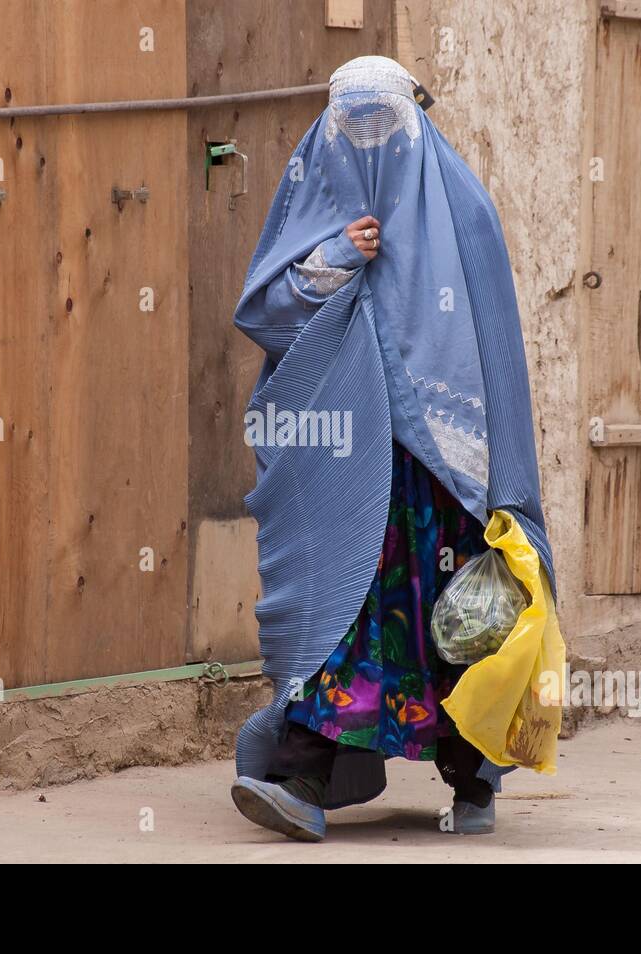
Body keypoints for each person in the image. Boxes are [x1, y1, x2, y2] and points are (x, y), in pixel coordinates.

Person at [230, 55, 557, 842]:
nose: (369, 147)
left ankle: (474, 785)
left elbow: (496, 357)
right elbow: (264, 317)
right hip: (345, 466)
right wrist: (334, 261)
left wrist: (497, 478)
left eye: (387, 127)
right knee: (339, 617)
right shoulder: (310, 198)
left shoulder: (465, 211)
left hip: (444, 472)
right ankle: (303, 778)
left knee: (455, 624)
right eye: (353, 129)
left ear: (415, 122)